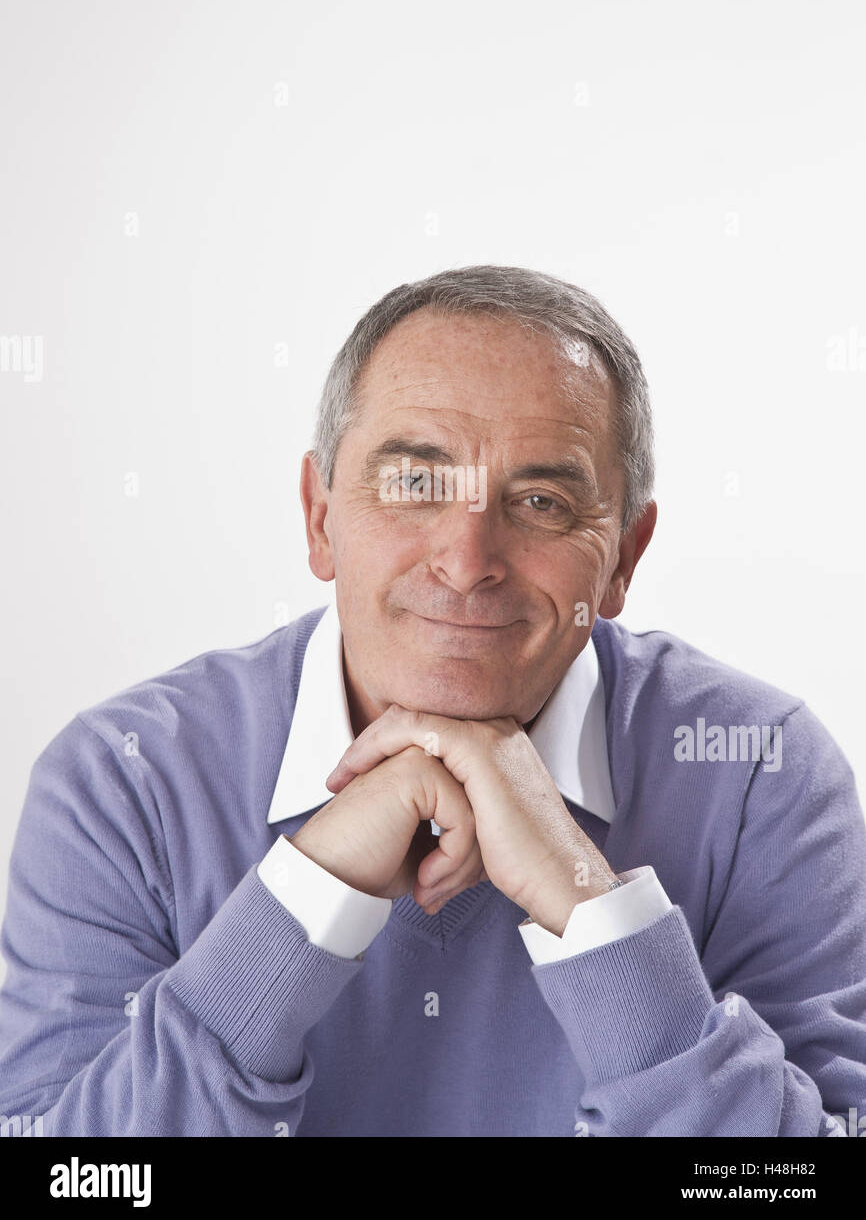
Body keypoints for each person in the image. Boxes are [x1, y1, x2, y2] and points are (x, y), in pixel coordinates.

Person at [1, 265, 864, 1137]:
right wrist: (307, 897)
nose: (465, 559)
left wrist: (591, 907)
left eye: (540, 501)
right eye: (415, 483)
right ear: (319, 517)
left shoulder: (759, 771)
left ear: (625, 559)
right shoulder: (123, 783)